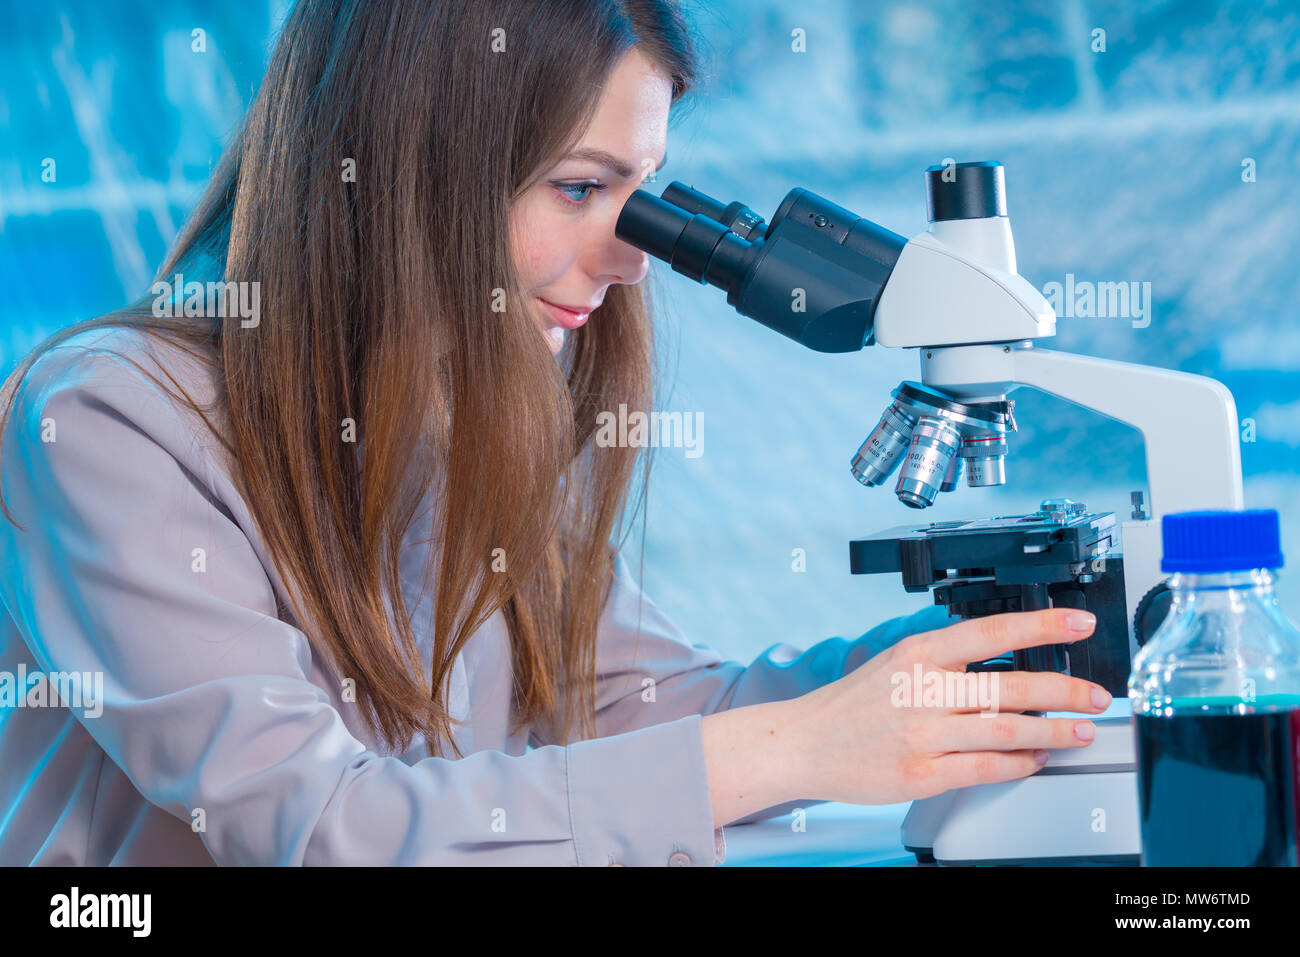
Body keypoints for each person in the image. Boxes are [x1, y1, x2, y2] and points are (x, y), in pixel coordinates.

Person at [0, 0, 1108, 866]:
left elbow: (625, 707)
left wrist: (926, 677)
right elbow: (311, 825)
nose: (630, 256)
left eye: (638, 191)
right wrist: (805, 746)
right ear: (404, 168)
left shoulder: (492, 392)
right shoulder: (112, 418)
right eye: (579, 187)